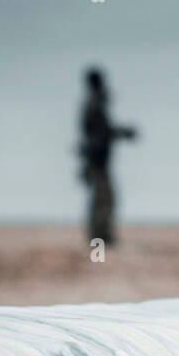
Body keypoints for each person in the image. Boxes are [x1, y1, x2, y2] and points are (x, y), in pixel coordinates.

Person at [78, 67, 137, 245]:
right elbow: (100, 131)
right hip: (96, 160)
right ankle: (99, 238)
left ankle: (100, 236)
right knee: (102, 198)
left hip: (98, 160)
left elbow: (101, 130)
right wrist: (121, 133)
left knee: (104, 198)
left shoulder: (93, 104)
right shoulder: (94, 104)